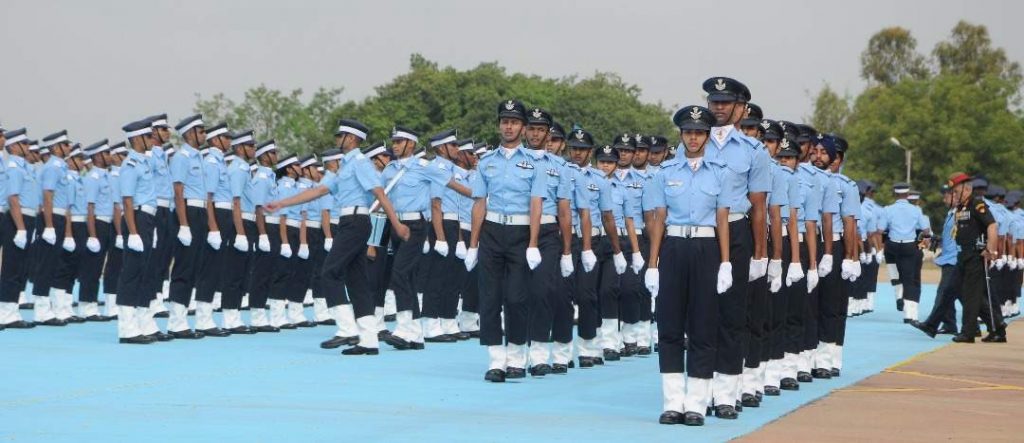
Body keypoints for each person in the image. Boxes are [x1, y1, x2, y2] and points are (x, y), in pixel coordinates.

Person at [265, 118, 410, 356]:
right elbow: (319, 190)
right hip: (348, 221)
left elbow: (379, 194)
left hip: (356, 221)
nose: (337, 139)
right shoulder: (344, 165)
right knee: (357, 282)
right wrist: (282, 203)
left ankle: (347, 329)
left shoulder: (360, 163)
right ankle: (369, 339)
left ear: (351, 138)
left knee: (329, 272)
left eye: (340, 136)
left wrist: (396, 224)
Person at [644, 105, 732, 426]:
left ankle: (696, 403)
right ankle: (672, 403)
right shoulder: (665, 172)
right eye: (688, 132)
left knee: (702, 325)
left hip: (706, 248)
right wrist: (652, 264)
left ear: (707, 136)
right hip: (674, 247)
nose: (693, 138)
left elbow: (723, 219)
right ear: (680, 135)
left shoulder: (721, 172)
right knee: (669, 325)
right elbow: (659, 219)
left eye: (699, 133)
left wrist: (726, 262)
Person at [466, 99, 550, 382]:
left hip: (520, 233)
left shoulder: (534, 164)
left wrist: (533, 243)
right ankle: (496, 360)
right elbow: (479, 203)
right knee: (489, 298)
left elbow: (536, 205)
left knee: (516, 297)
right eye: (505, 122)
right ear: (499, 126)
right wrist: (473, 245)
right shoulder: (486, 162)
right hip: (491, 232)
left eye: (514, 122)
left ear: (523, 128)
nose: (509, 127)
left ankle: (516, 356)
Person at [702, 77, 771, 418]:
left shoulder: (753, 151)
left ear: (741, 108)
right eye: (714, 101)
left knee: (732, 313)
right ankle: (701, 389)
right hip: (700, 234)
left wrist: (760, 253)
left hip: (736, 231)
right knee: (701, 313)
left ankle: (727, 392)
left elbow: (758, 206)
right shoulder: (692, 143)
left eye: (726, 102)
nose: (718, 107)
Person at [944, 173, 1006, 343]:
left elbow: (992, 225)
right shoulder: (961, 208)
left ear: (967, 189)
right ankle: (998, 328)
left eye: (957, 192)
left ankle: (968, 332)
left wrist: (990, 249)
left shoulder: (977, 205)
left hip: (975, 256)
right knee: (974, 294)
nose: (954, 195)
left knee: (970, 295)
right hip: (964, 254)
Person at [116, 120, 162, 344]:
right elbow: (127, 201)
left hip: (148, 218)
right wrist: (133, 232)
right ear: (137, 139)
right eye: (149, 136)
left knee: (145, 271)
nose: (153, 140)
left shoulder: (145, 162)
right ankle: (127, 327)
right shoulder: (131, 165)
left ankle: (143, 322)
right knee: (132, 272)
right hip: (137, 218)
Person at [167, 114, 209, 340]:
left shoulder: (198, 157)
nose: (204, 135)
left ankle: (182, 318)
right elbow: (178, 192)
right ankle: (176, 321)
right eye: (201, 131)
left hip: (200, 212)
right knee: (183, 267)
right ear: (190, 133)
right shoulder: (181, 157)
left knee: (194, 267)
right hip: (188, 213)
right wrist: (183, 224)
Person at [193, 122, 233, 336]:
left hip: (224, 214)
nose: (230, 141)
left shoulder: (219, 161)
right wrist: (213, 227)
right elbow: (208, 197)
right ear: (216, 140)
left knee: (216, 268)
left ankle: (206, 317)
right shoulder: (210, 162)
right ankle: (203, 319)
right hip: (216, 215)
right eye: (226, 138)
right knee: (209, 269)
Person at [31, 130, 75, 326]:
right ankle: (41, 310)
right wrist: (48, 225)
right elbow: (47, 196)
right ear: (56, 148)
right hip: (51, 218)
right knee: (45, 264)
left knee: (53, 263)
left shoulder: (61, 167)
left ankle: (47, 307)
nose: (69, 147)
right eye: (65, 144)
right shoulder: (52, 167)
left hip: (58, 217)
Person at [0, 128, 39, 329]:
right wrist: (21, 228)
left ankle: (12, 311)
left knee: (20, 267)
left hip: (27, 218)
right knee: (12, 267)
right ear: (14, 146)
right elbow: (13, 198)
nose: (28, 147)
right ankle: (5, 313)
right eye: (24, 144)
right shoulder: (14, 167)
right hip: (18, 219)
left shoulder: (24, 167)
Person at [913, 185, 962, 337]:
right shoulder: (952, 213)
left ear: (955, 196)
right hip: (949, 257)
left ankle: (932, 325)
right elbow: (952, 236)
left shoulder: (960, 214)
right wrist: (939, 240)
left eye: (946, 196)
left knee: (944, 293)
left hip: (955, 259)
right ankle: (950, 324)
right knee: (956, 294)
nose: (944, 199)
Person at [880, 182, 931, 323]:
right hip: (910, 245)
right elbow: (926, 230)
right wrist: (926, 240)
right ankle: (909, 314)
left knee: (895, 272)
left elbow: (880, 229)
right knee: (911, 279)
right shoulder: (916, 210)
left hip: (892, 245)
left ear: (895, 194)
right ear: (907, 194)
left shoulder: (888, 209)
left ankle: (898, 294)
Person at [77, 140, 116, 321]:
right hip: (97, 224)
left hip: (108, 224)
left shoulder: (107, 177)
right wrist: (92, 235)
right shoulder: (92, 178)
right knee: (92, 266)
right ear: (98, 157)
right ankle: (87, 306)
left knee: (101, 266)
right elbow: (89, 207)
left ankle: (96, 303)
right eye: (106, 154)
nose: (110, 156)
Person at [246, 140, 281, 333]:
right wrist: (262, 234)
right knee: (261, 273)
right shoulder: (261, 177)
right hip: (265, 226)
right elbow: (258, 208)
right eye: (273, 153)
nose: (276, 156)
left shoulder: (270, 176)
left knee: (269, 272)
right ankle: (257, 315)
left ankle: (261, 313)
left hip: (273, 225)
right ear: (264, 156)